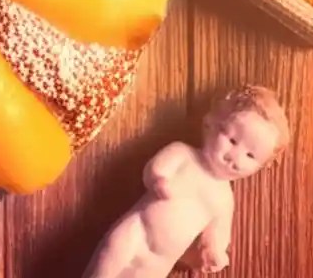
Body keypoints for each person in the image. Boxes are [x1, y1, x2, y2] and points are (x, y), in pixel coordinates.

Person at [84, 85, 291, 278]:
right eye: (232, 141)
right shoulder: (184, 154)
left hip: (162, 260)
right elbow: (154, 169)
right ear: (209, 124)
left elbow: (218, 234)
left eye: (250, 156)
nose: (235, 157)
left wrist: (214, 252)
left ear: (259, 167)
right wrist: (158, 180)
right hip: (137, 230)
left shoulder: (224, 199)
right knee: (106, 263)